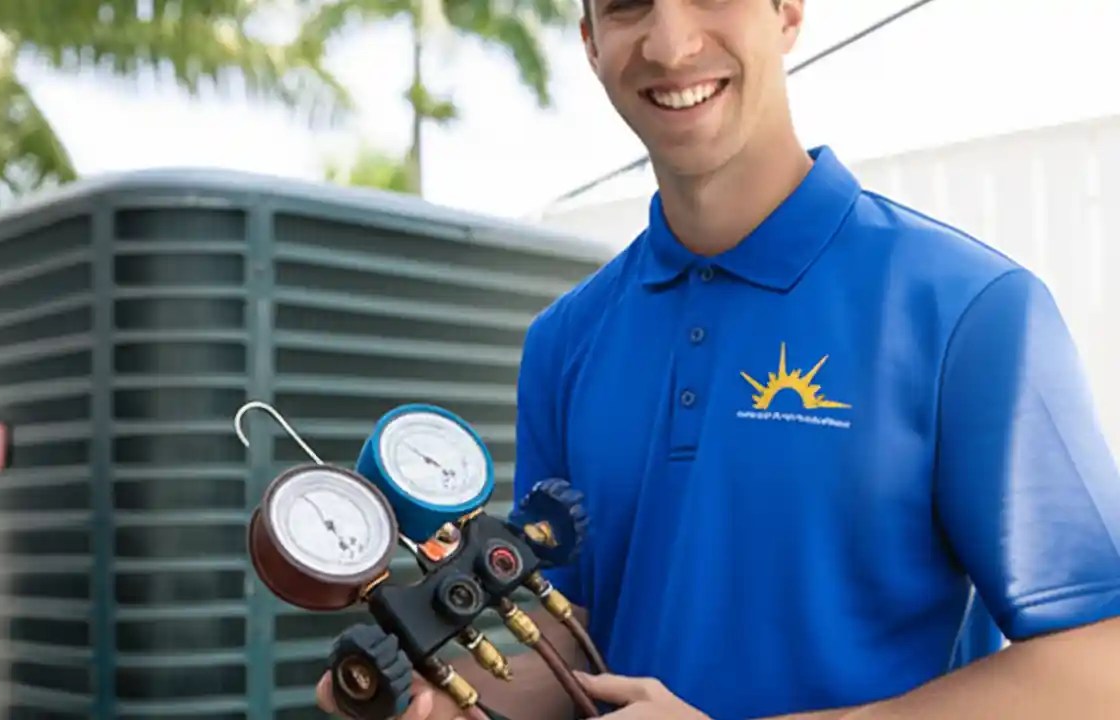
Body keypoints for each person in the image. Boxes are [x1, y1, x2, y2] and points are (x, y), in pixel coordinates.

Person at [317, 0, 1120, 718]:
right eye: (628, 6)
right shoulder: (566, 338)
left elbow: (1097, 670)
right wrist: (442, 700)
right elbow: (581, 643)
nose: (670, 44)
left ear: (788, 10)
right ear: (591, 40)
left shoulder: (970, 309)